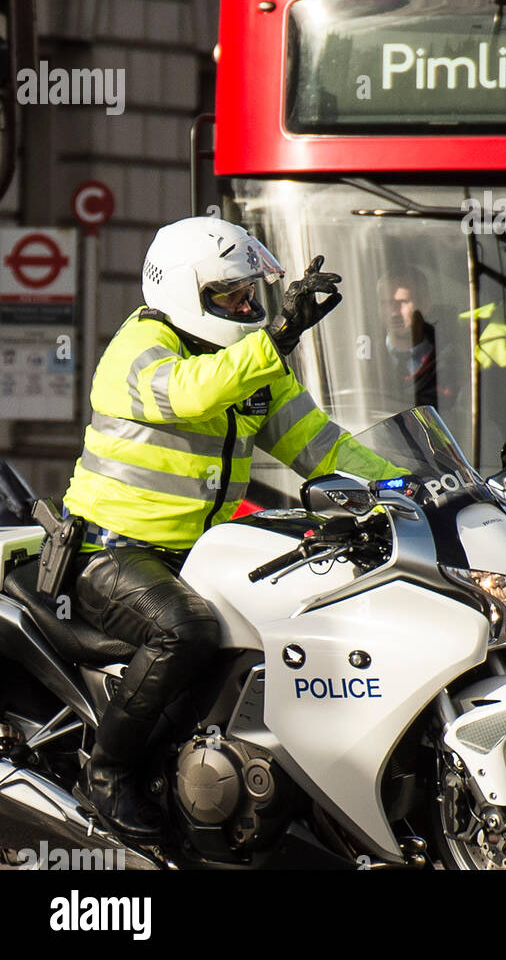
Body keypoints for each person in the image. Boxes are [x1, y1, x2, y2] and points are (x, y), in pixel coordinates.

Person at [61, 217, 402, 840]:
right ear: (181, 291)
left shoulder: (247, 368)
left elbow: (319, 443)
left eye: (250, 295)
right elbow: (190, 394)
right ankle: (108, 775)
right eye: (229, 296)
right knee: (186, 631)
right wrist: (276, 334)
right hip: (110, 553)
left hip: (195, 554)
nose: (245, 307)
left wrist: (402, 489)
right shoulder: (140, 349)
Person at [377, 267, 441, 408]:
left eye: (403, 302)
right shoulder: (365, 361)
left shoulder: (448, 363)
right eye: (386, 303)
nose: (394, 313)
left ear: (425, 304)